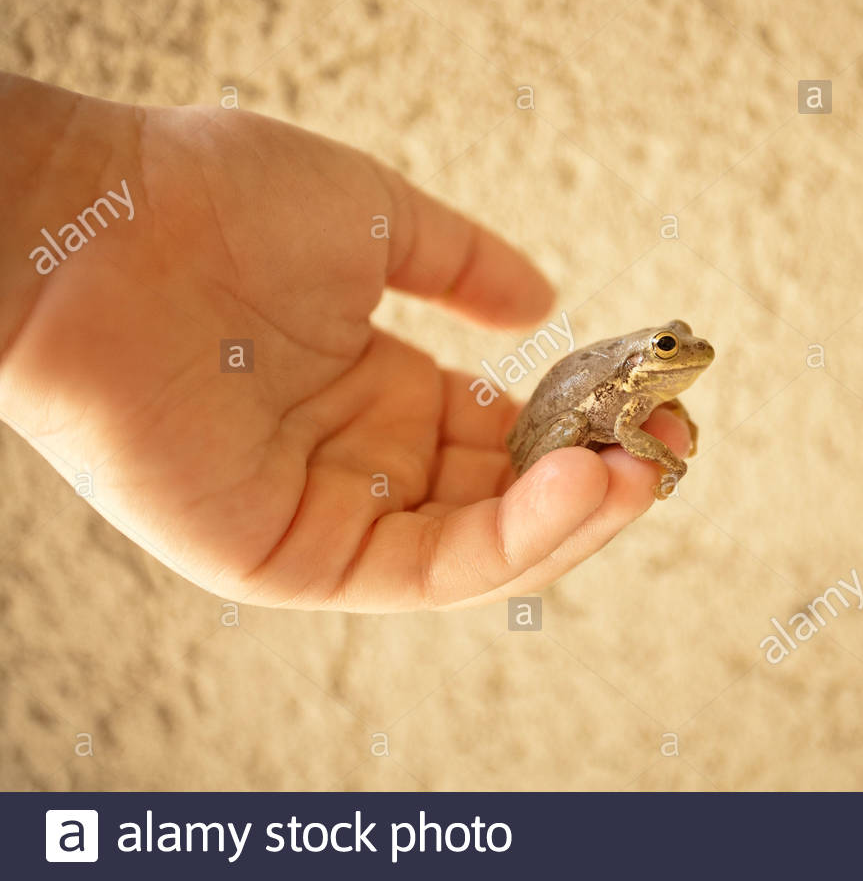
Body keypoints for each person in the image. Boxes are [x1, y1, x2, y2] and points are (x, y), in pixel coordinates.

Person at [0, 72, 690, 612]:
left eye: (675, 344)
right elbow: (629, 431)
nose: (681, 353)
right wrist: (76, 191)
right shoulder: (626, 389)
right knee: (577, 436)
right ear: (641, 357)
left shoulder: (642, 383)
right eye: (666, 346)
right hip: (563, 418)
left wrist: (68, 193)